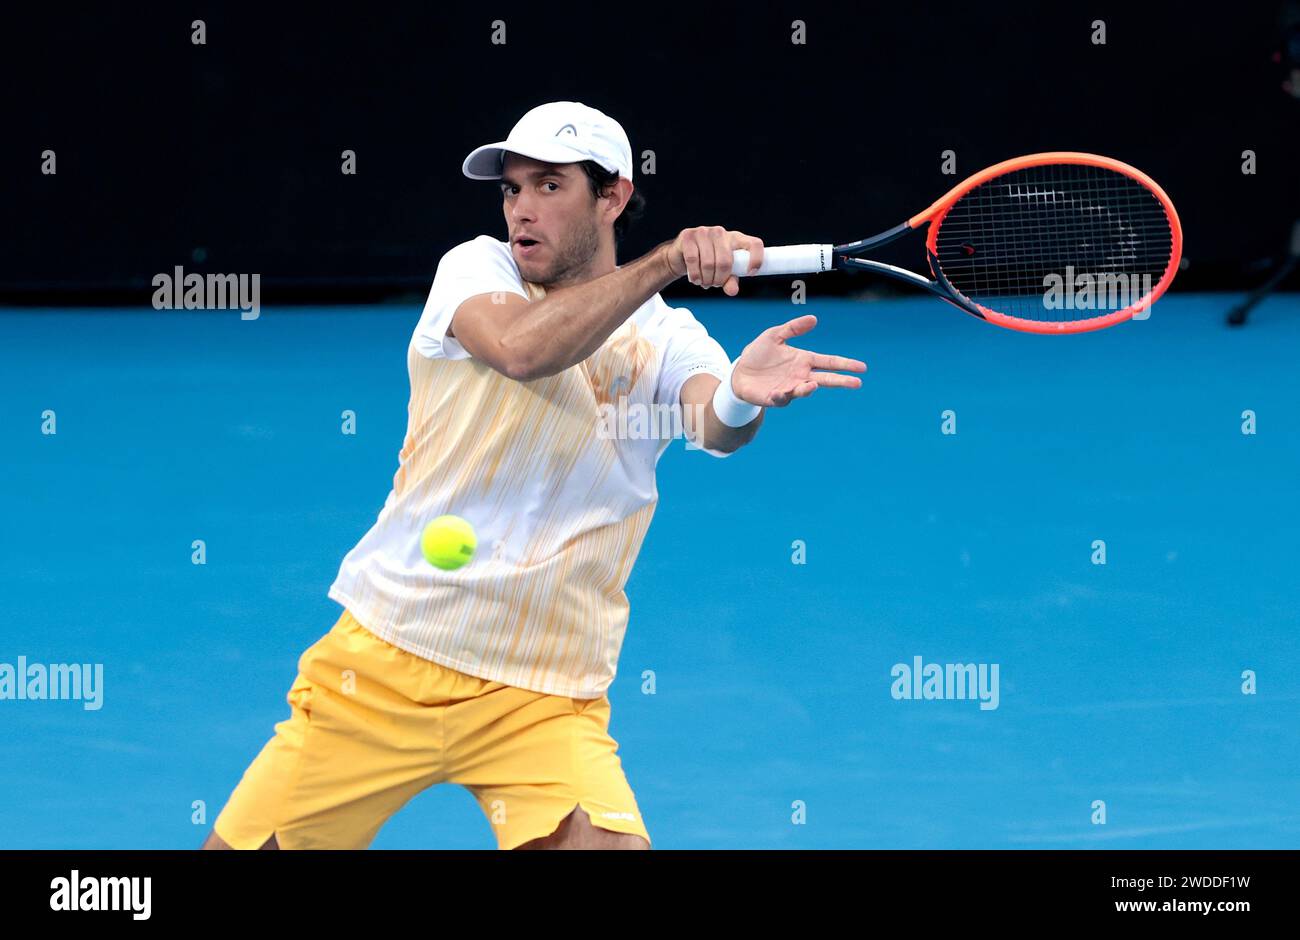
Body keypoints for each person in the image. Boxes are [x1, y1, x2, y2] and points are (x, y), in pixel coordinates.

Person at [203, 101, 864, 850]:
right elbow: (521, 350)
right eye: (511, 189)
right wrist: (668, 261)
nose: (522, 209)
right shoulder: (474, 271)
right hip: (384, 662)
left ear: (612, 197)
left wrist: (742, 396)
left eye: (550, 187)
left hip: (545, 692)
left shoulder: (669, 337)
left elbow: (712, 425)